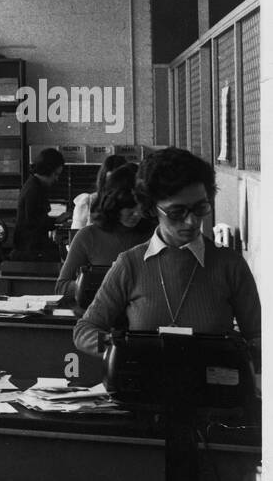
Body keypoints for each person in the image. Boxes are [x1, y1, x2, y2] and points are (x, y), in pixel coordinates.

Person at [74, 147, 261, 358]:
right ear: (152, 208)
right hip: (146, 385)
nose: (191, 222)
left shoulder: (230, 265)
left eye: (200, 208)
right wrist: (120, 350)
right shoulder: (130, 264)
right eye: (177, 212)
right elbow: (84, 330)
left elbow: (259, 337)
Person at [55, 164, 153, 302]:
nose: (137, 214)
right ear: (114, 204)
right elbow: (62, 287)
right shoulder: (88, 236)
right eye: (129, 209)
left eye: (141, 208)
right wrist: (97, 282)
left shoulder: (154, 234)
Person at [13, 147, 66, 259]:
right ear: (47, 170)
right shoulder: (34, 189)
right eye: (55, 174)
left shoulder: (35, 184)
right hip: (30, 249)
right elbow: (33, 223)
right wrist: (56, 221)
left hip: (31, 245)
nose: (56, 179)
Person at [69, 152, 128, 231]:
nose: (114, 186)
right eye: (110, 180)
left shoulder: (131, 205)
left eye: (118, 180)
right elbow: (75, 235)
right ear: (103, 179)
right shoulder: (88, 202)